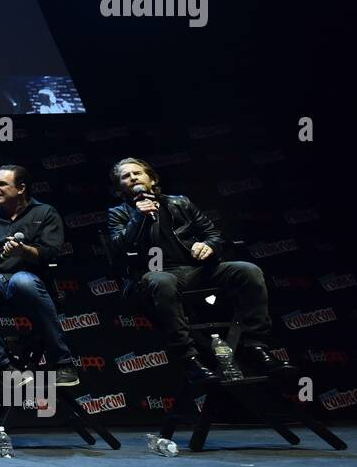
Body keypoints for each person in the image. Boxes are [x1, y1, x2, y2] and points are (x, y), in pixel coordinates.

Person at [106, 156, 295, 384]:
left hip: (197, 270)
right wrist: (138, 216)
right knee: (162, 281)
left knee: (248, 270)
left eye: (137, 173)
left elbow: (214, 234)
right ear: (120, 188)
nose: (133, 177)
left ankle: (256, 347)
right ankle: (190, 360)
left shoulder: (180, 203)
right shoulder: (120, 213)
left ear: (152, 179)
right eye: (125, 176)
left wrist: (209, 246)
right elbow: (119, 249)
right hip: (156, 275)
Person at [0, 165, 79, 386]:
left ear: (21, 188)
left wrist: (24, 251)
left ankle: (63, 364)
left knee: (23, 280)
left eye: (1, 184)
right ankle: (3, 365)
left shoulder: (45, 213)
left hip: (28, 281)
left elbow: (50, 252)